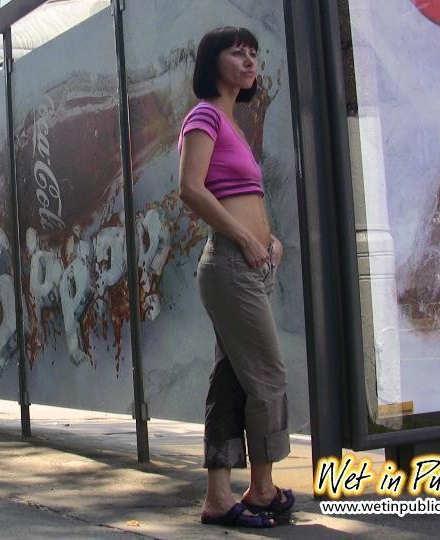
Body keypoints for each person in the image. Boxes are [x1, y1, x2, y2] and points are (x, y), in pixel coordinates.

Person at [177, 27, 294, 528]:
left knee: (234, 381)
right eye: (237, 52)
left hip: (252, 264)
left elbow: (244, 195)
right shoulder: (204, 115)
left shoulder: (233, 121)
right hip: (230, 263)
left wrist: (268, 238)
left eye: (254, 53)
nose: (249, 61)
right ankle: (262, 489)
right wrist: (245, 239)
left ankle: (220, 497)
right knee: (268, 375)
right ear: (212, 61)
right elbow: (190, 188)